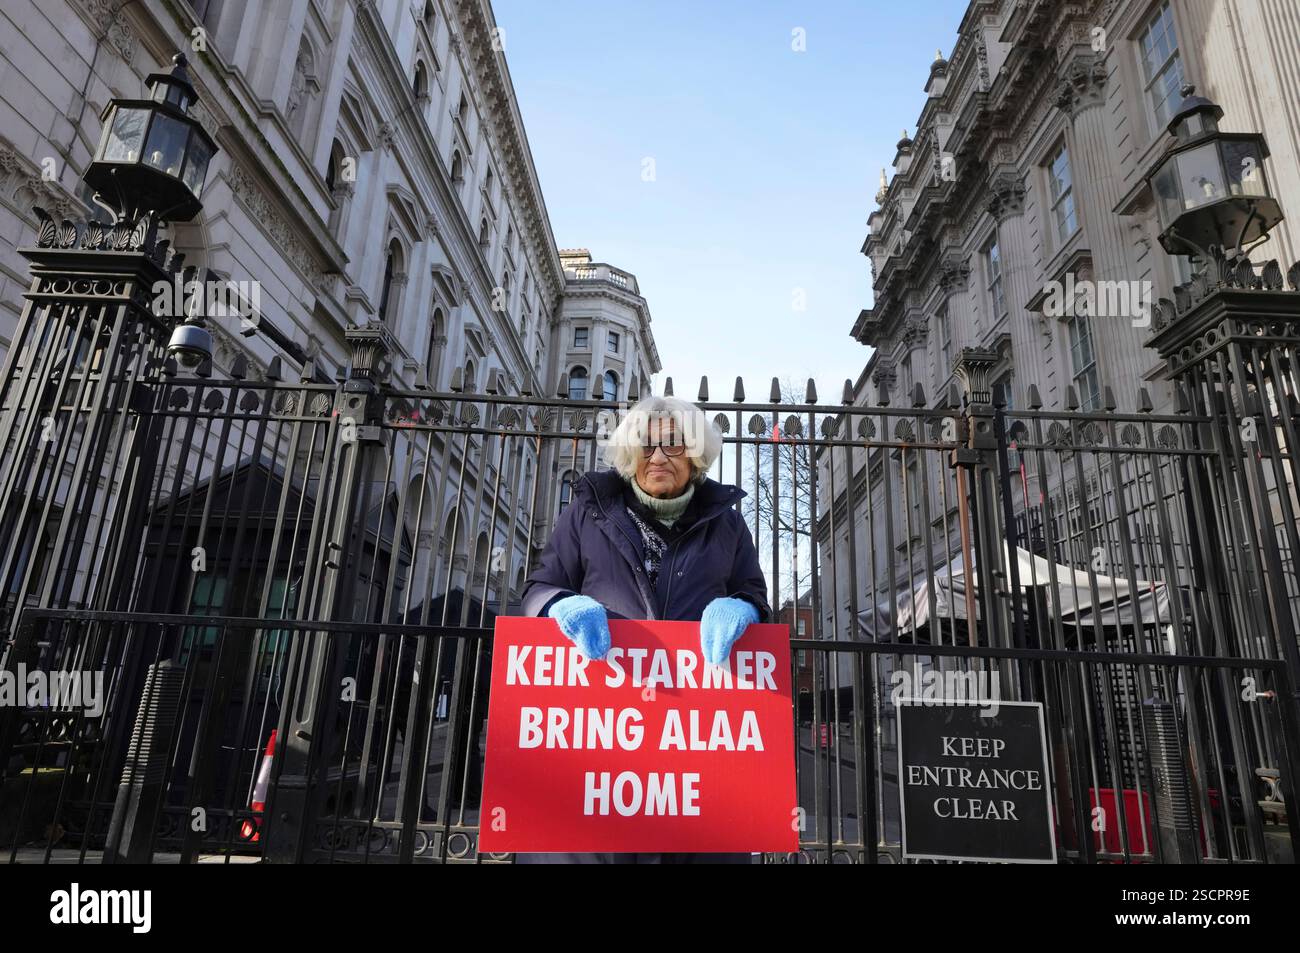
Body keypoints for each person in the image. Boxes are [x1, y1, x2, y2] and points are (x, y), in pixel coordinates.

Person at [515, 394, 770, 864]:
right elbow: (538, 587)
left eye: (674, 444)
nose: (658, 456)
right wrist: (559, 604)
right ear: (631, 453)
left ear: (695, 456)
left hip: (695, 749)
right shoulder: (585, 514)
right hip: (596, 747)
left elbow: (755, 595)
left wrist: (743, 608)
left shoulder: (729, 526)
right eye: (647, 445)